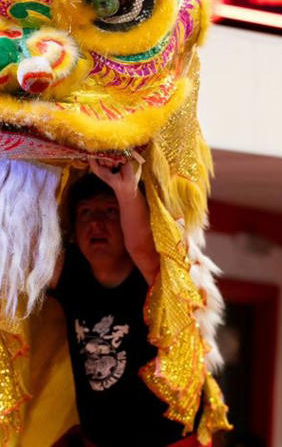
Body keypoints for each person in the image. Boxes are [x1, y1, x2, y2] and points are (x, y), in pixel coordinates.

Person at [49, 160, 203, 447]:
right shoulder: (71, 274)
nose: (96, 223)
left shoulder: (151, 278)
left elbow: (141, 247)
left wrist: (126, 190)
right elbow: (20, 249)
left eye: (110, 211)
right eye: (85, 212)